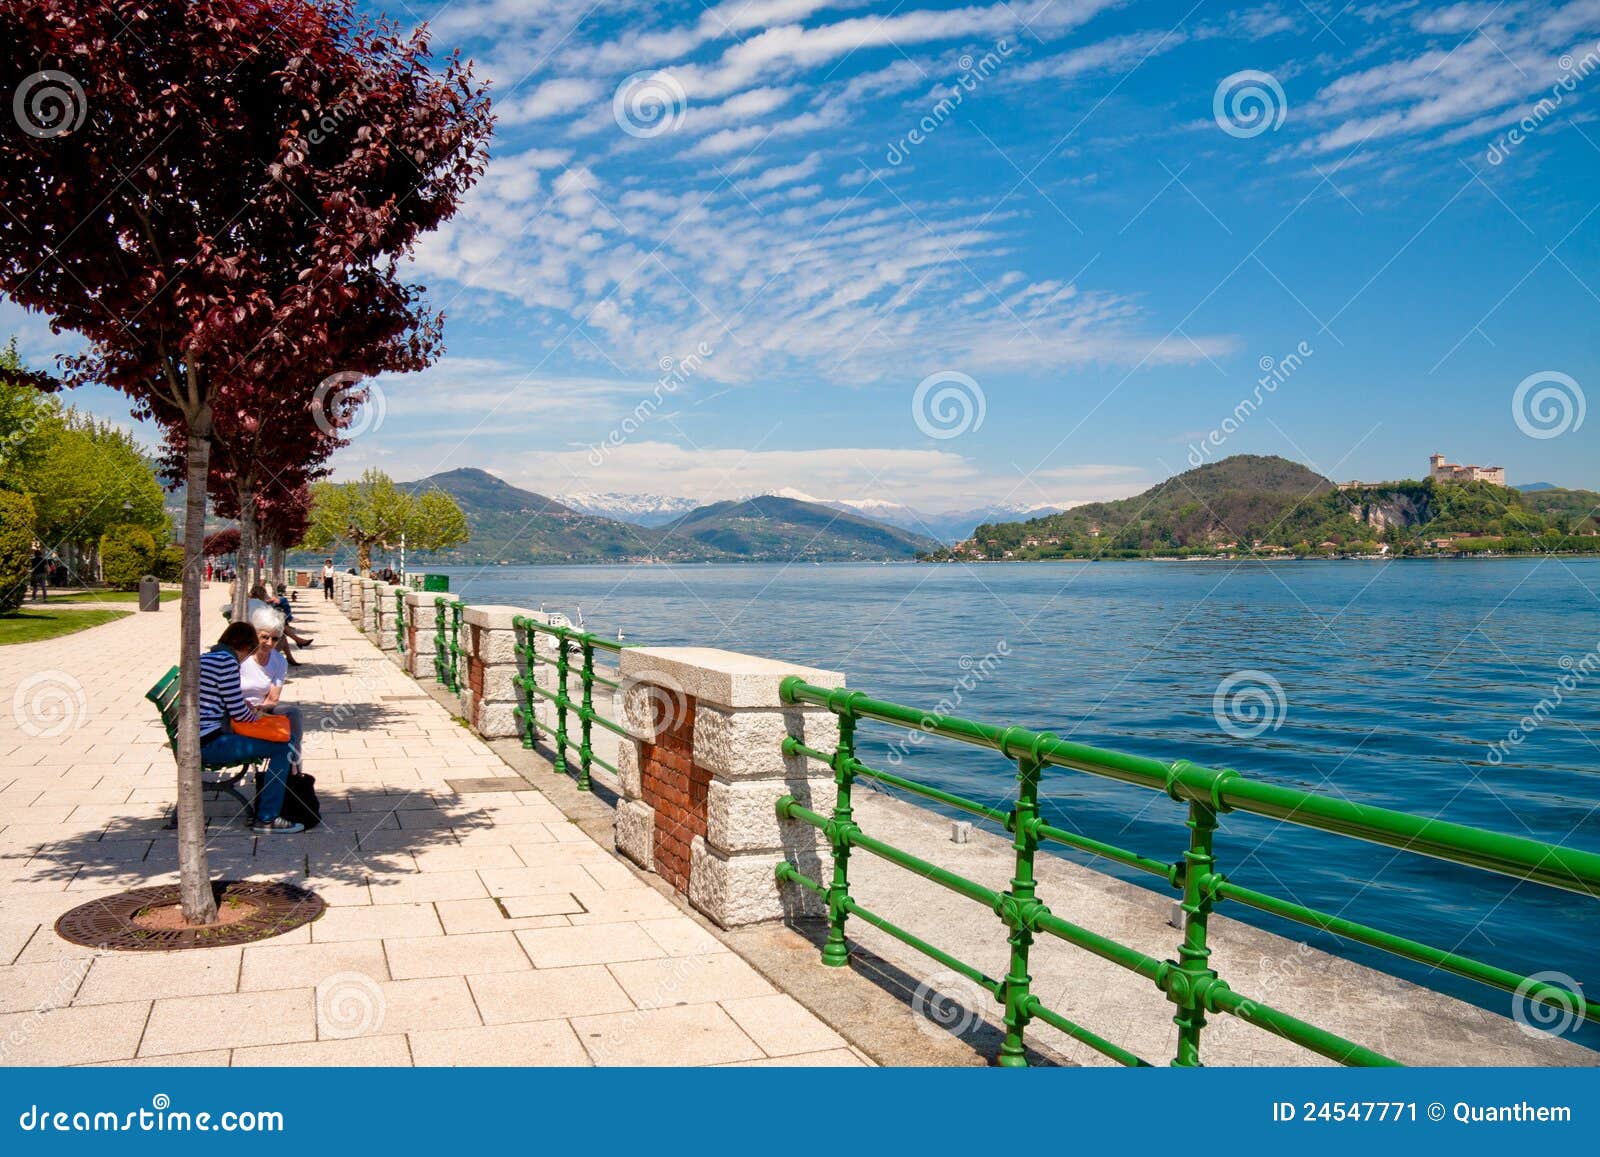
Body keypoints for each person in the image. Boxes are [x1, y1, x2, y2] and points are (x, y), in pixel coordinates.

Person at [198, 621, 302, 833]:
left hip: (200, 734)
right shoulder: (227, 662)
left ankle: (274, 803)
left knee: (283, 736)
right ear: (246, 646)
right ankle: (267, 818)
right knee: (283, 747)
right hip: (209, 742)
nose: (246, 658)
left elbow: (228, 701)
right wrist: (260, 717)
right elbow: (239, 714)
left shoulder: (209, 657)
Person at [243, 607, 303, 774]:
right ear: (254, 634)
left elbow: (273, 698)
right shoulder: (241, 657)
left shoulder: (278, 661)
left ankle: (295, 774)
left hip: (260, 711)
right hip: (235, 711)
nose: (269, 643)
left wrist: (260, 709)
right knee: (282, 743)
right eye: (265, 637)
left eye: (275, 639)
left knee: (294, 714)